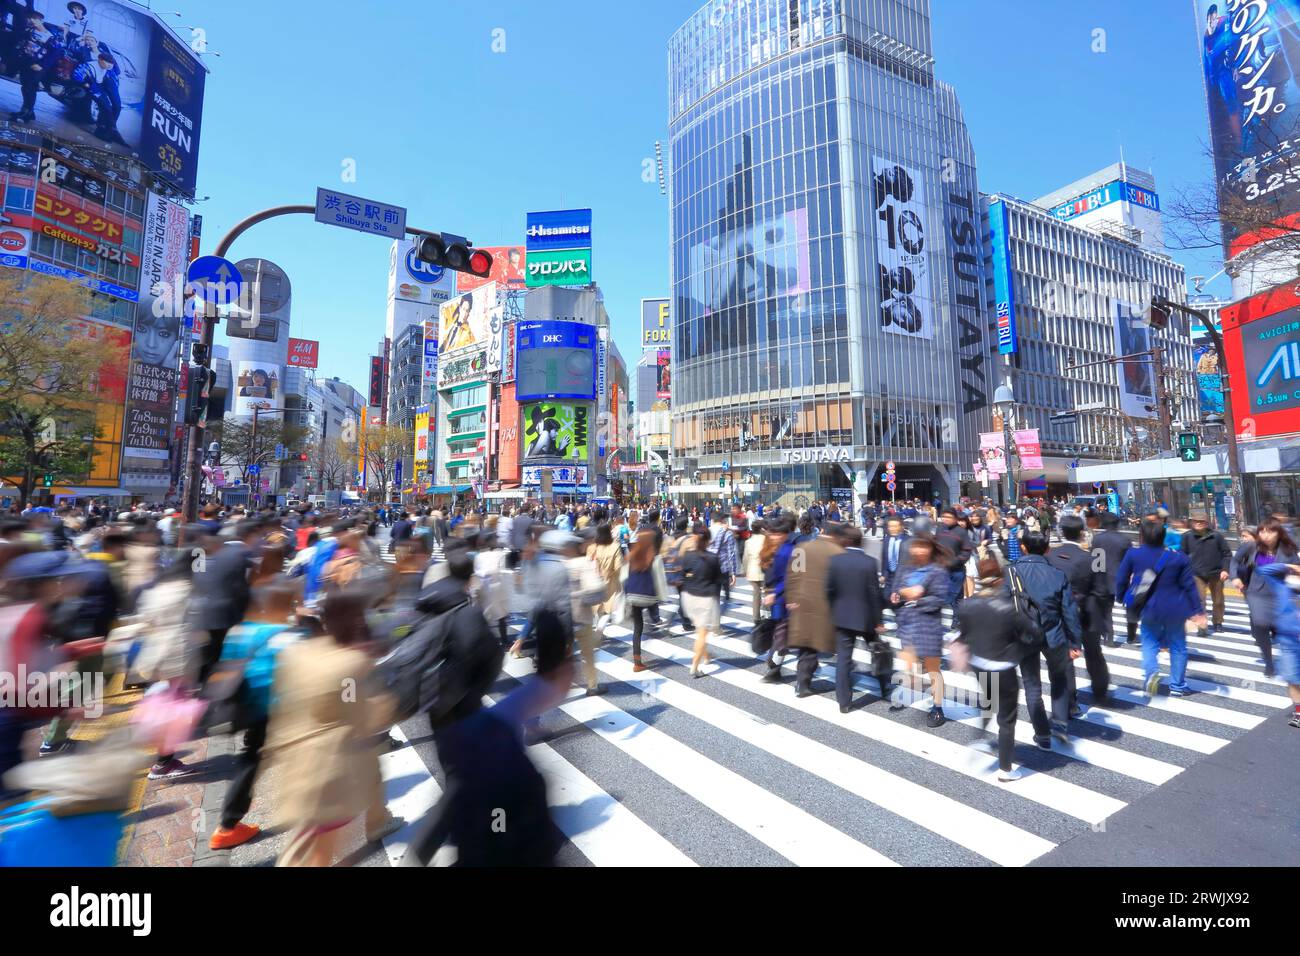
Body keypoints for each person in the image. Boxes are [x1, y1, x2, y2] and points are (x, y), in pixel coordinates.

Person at [268, 588, 399, 866]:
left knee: (308, 833)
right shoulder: (350, 665)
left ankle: (378, 820)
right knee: (318, 850)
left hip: (297, 754)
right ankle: (377, 822)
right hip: (329, 770)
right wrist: (383, 704)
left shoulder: (300, 652)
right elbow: (364, 717)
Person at [953, 557, 1041, 781]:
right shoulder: (1008, 608)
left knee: (989, 700)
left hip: (979, 663)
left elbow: (963, 635)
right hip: (1003, 666)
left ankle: (980, 737)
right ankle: (1005, 769)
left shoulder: (967, 605)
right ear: (1000, 579)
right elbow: (1033, 632)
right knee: (1007, 718)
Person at [1116, 517, 1205, 697]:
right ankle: (1178, 685)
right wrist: (1197, 611)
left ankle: (1151, 674)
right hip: (1175, 607)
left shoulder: (1134, 554)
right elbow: (1189, 585)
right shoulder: (1178, 557)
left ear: (1142, 535)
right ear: (1163, 536)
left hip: (1148, 607)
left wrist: (1121, 596)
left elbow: (1121, 578)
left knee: (1149, 643)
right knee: (1178, 646)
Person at [1009, 531, 1081, 745]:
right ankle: (1059, 723)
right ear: (1047, 549)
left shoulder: (1011, 572)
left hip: (1024, 635)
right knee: (1059, 679)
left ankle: (1042, 733)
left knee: (1032, 685)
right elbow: (1069, 611)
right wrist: (1074, 641)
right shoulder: (1058, 574)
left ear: (1023, 547)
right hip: (1054, 633)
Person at [1048, 515, 1110, 706]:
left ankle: (1070, 700)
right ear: (1082, 533)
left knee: (1066, 656)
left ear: (1061, 532)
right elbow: (1101, 589)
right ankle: (1100, 692)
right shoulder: (1093, 557)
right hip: (1088, 611)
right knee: (1093, 652)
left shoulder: (1050, 556)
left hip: (1061, 613)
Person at [891, 534, 951, 727]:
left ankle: (938, 708)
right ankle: (908, 692)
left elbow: (940, 599)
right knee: (909, 667)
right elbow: (898, 590)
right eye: (916, 547)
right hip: (908, 626)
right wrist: (898, 595)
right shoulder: (907, 569)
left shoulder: (938, 571)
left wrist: (917, 598)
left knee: (933, 670)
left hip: (928, 627)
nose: (919, 550)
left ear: (931, 549)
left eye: (923, 547)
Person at [825, 525, 884, 713]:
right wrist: (878, 619)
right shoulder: (869, 562)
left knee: (843, 658)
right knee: (877, 651)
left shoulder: (835, 561)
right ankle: (884, 683)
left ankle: (844, 701)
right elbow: (874, 594)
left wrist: (833, 609)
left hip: (842, 617)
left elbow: (828, 590)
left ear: (846, 541)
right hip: (866, 616)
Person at [1232, 518, 1298, 680]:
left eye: (1270, 531)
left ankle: (1288, 659)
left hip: (1279, 593)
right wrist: (1235, 577)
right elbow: (1234, 560)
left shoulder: (1288, 550)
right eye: (1262, 531)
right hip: (1256, 592)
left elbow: (1297, 569)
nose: (1265, 535)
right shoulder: (1252, 547)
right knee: (1260, 624)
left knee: (1282, 628)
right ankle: (1268, 662)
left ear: (1279, 533)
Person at [784, 518, 842, 699]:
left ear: (821, 531)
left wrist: (792, 598)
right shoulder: (838, 552)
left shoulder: (803, 548)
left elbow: (793, 574)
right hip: (827, 604)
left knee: (807, 645)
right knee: (831, 643)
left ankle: (802, 683)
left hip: (804, 602)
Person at [680, 522, 723, 677]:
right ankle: (694, 667)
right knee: (702, 634)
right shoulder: (713, 558)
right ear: (708, 541)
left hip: (688, 597)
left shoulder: (688, 556)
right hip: (705, 598)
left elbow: (683, 575)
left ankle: (706, 656)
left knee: (700, 630)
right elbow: (718, 581)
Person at [1181, 510, 1232, 636]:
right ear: (1192, 522)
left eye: (1201, 521)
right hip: (1196, 573)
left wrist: (1225, 569)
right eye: (1196, 521)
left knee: (1218, 600)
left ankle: (1218, 622)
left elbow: (1227, 554)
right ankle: (1202, 626)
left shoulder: (1217, 536)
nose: (1198, 523)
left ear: (1206, 523)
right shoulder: (1187, 537)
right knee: (1199, 601)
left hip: (1216, 572)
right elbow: (1181, 555)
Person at [623, 527, 665, 675]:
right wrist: (662, 598)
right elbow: (660, 580)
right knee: (651, 612)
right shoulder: (654, 556)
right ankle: (655, 620)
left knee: (637, 628)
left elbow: (624, 577)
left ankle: (637, 662)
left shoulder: (631, 555)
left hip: (633, 596)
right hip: (649, 596)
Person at [1090, 510, 1133, 646]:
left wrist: (1095, 578)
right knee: (1129, 606)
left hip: (1103, 577)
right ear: (1117, 524)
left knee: (1106, 609)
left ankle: (1109, 637)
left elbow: (1096, 561)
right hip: (1122, 577)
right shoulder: (1124, 540)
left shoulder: (1097, 539)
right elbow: (1130, 561)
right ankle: (1131, 635)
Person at [587, 523, 624, 634]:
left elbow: (587, 563)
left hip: (593, 580)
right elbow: (618, 566)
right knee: (608, 608)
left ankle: (598, 629)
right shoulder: (615, 546)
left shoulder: (592, 547)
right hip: (609, 580)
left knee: (597, 606)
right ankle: (600, 630)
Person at [708, 514, 738, 607]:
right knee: (720, 588)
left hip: (708, 565)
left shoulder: (707, 531)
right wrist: (733, 572)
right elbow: (731, 553)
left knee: (712, 592)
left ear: (712, 520)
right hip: (722, 565)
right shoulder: (727, 533)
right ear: (722, 521)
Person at [742, 519, 767, 624]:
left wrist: (745, 570)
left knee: (756, 595)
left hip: (752, 570)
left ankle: (756, 618)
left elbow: (745, 558)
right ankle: (767, 615)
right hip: (765, 570)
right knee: (767, 593)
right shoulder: (766, 539)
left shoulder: (748, 541)